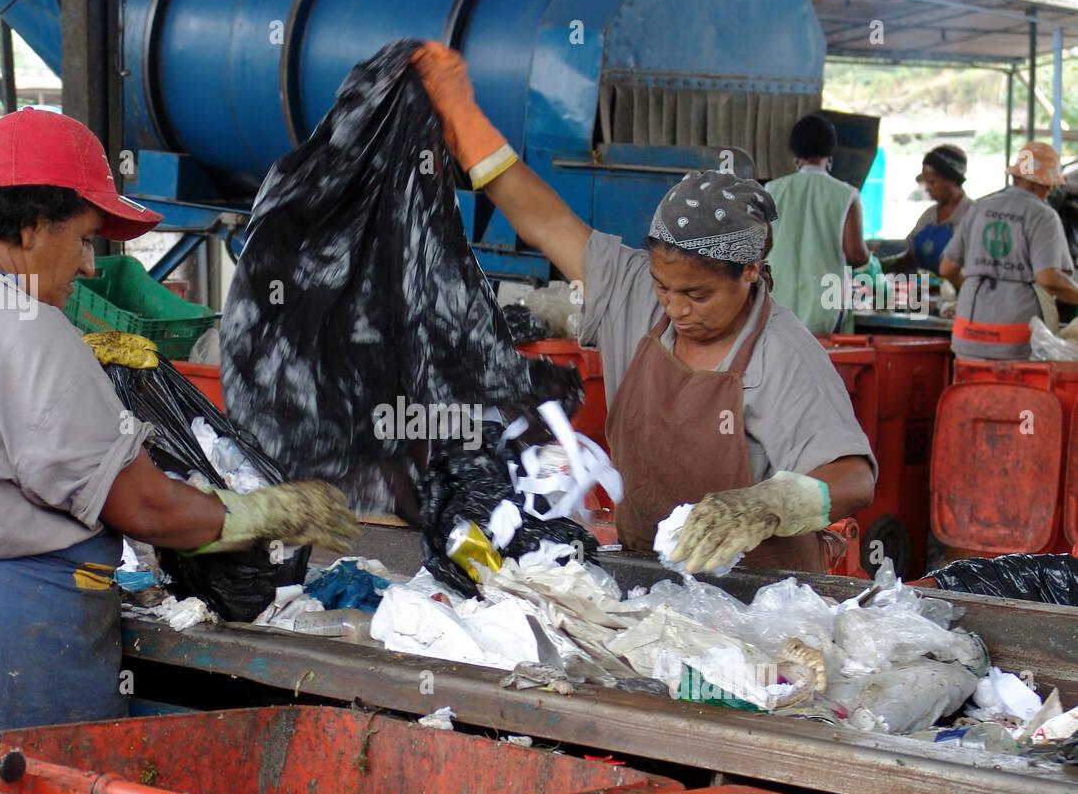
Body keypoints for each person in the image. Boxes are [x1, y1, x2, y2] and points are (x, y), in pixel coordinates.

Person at [0, 109, 358, 768]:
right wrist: (268, 511)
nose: (85, 265)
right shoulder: (28, 328)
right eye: (82, 239)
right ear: (30, 225)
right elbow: (146, 507)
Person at [411, 43, 875, 576]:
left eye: (697, 295)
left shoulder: (785, 354)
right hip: (648, 580)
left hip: (763, 600)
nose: (676, 309)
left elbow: (855, 477)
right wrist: (464, 121)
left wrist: (766, 505)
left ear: (748, 273)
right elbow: (546, 221)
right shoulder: (631, 289)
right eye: (664, 287)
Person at [939, 141, 1078, 360]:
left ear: (1015, 178)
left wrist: (978, 288)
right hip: (1012, 338)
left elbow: (947, 268)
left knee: (970, 391)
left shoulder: (979, 207)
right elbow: (1049, 277)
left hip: (967, 332)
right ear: (1048, 184)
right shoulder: (1043, 215)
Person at [763, 114, 871, 333]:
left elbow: (762, 246)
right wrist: (872, 263)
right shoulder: (846, 194)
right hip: (825, 303)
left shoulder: (773, 189)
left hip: (778, 300)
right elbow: (856, 254)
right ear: (830, 152)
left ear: (795, 151)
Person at [882, 145, 973, 276]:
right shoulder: (929, 215)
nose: (927, 188)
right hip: (924, 291)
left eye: (931, 182)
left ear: (952, 180)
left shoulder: (973, 215)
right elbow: (909, 256)